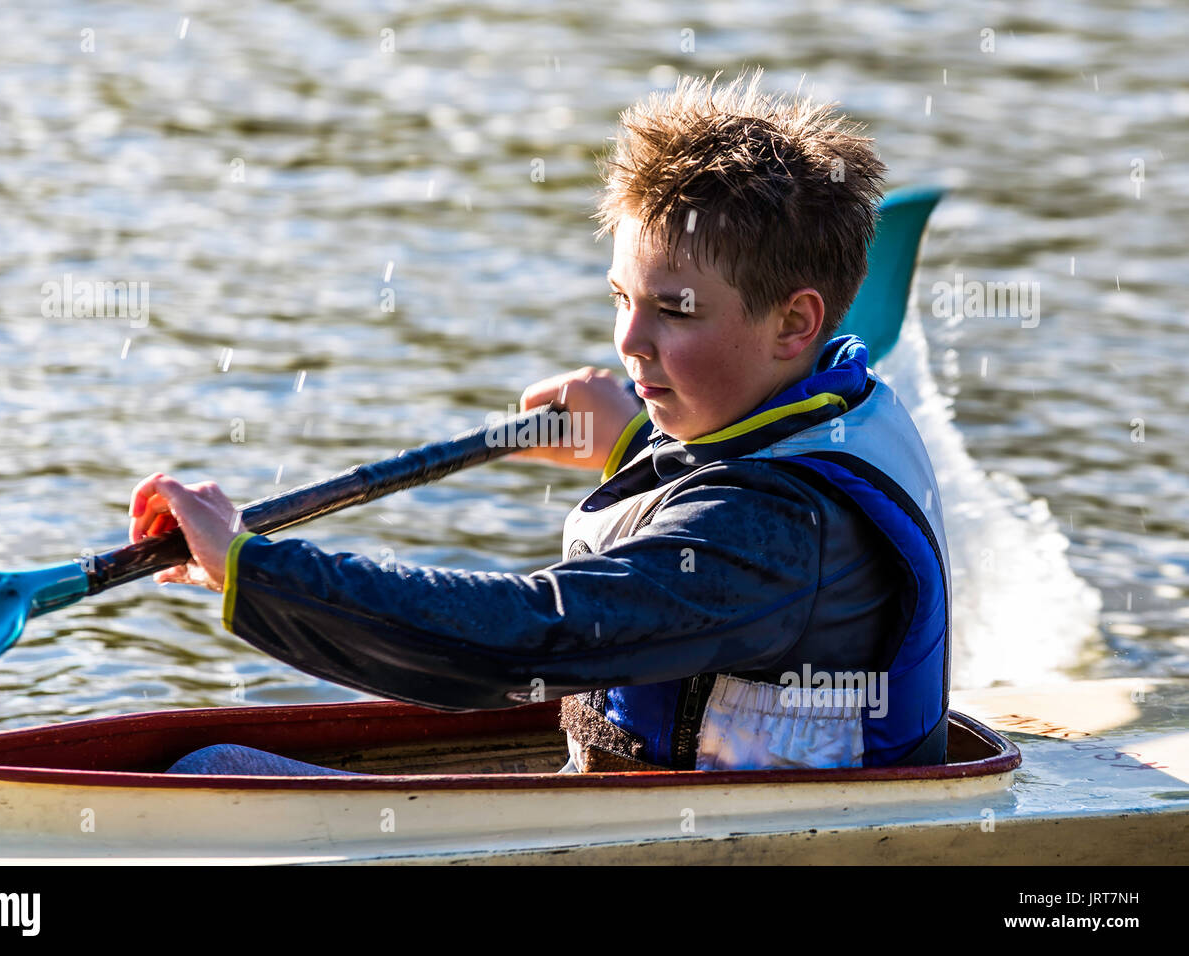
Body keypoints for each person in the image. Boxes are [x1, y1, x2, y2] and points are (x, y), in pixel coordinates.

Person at [131, 69, 950, 776]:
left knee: (211, 771)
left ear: (793, 325)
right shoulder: (844, 399)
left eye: (675, 310)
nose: (629, 342)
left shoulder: (769, 529)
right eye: (622, 298)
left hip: (707, 841)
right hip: (662, 804)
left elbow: (523, 641)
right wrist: (633, 444)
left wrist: (257, 569)